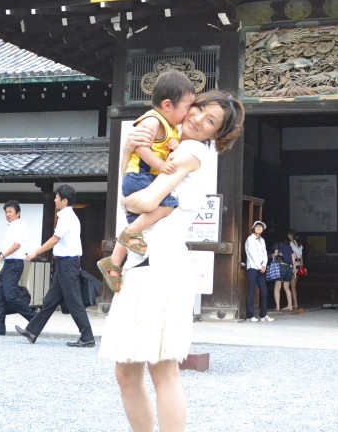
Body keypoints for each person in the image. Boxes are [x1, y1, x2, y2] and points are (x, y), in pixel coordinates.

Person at [101, 90, 244, 432]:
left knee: (162, 370)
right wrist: (128, 151)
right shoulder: (174, 147)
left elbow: (142, 201)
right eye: (199, 110)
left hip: (158, 264)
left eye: (210, 121)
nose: (198, 119)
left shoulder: (191, 151)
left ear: (217, 135)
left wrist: (132, 194)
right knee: (127, 372)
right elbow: (130, 191)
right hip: (145, 261)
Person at [98, 69, 196, 293]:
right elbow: (141, 147)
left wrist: (173, 145)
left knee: (137, 224)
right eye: (187, 106)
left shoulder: (170, 126)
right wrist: (160, 165)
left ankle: (113, 263)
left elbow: (160, 145)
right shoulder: (153, 120)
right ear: (168, 104)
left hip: (141, 178)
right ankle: (126, 240)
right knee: (167, 205)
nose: (189, 113)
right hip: (139, 176)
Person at [14, 184, 95, 347]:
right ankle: (32, 331)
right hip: (65, 264)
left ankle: (87, 337)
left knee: (74, 301)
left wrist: (35, 252)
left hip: (68, 264)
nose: (55, 200)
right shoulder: (68, 216)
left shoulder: (66, 217)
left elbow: (55, 239)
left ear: (64, 201)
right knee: (50, 300)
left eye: (57, 198)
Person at [0, 200, 37, 335]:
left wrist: (0, 257)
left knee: (11, 296)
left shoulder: (20, 226)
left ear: (18, 213)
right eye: (6, 212)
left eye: (10, 211)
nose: (8, 214)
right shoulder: (11, 226)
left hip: (15, 263)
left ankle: (35, 318)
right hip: (8, 263)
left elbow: (16, 245)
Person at [244, 219, 272, 322]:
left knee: (264, 291)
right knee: (251, 291)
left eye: (261, 227)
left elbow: (264, 253)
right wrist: (260, 267)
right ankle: (250, 315)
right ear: (253, 228)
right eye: (257, 226)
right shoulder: (250, 239)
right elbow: (252, 254)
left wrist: (264, 265)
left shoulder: (262, 240)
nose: (259, 228)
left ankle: (263, 315)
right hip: (253, 267)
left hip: (261, 268)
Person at [273, 234, 294, 312]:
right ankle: (290, 306)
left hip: (281, 267)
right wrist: (294, 271)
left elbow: (275, 256)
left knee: (277, 288)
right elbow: (293, 259)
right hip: (289, 268)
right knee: (287, 288)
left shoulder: (277, 245)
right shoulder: (289, 247)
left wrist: (273, 257)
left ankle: (278, 307)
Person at [286, 230, 303, 310]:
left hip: (293, 265)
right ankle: (294, 303)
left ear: (291, 235)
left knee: (292, 286)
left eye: (289, 235)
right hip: (298, 265)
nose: (288, 236)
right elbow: (301, 257)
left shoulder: (290, 244)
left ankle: (295, 304)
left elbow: (291, 255)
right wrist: (301, 266)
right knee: (293, 286)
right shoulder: (299, 244)